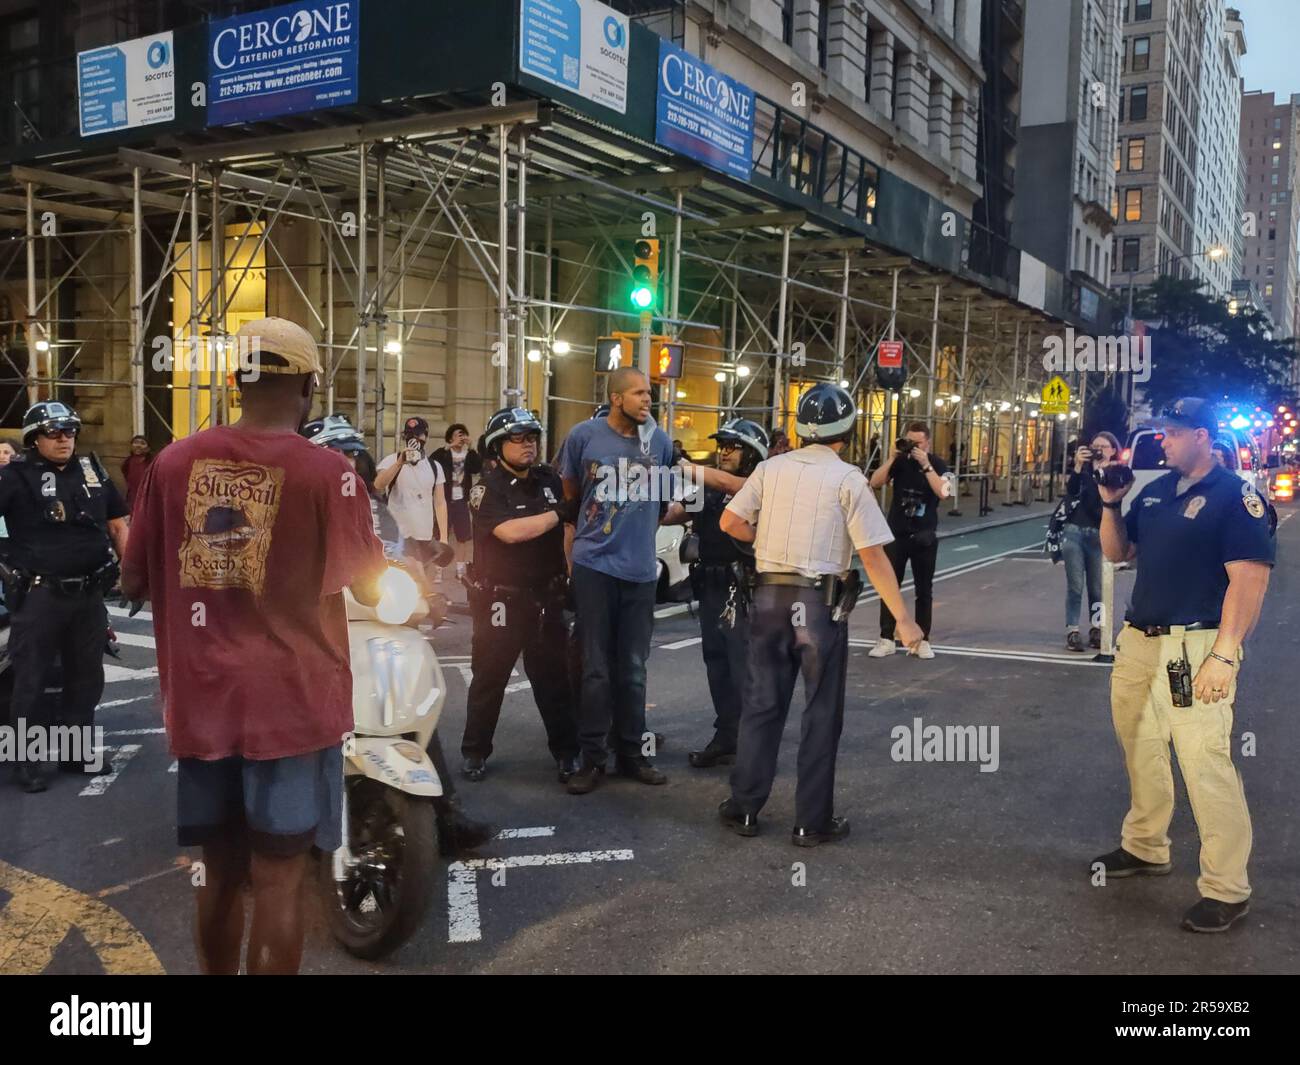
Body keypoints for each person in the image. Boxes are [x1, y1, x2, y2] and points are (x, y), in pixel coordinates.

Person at [121, 317, 388, 975]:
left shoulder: (172, 462)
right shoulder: (329, 472)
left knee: (216, 873)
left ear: (237, 379)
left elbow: (135, 577)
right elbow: (374, 588)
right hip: (293, 708)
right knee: (279, 879)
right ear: (306, 383)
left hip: (204, 705)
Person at [1093, 397, 1274, 934]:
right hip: (1140, 642)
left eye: (1171, 433)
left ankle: (1226, 887)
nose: (1162, 441)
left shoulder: (1234, 497)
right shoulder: (1155, 492)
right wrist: (1109, 504)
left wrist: (1224, 653)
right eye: (1160, 433)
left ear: (1201, 436)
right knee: (1140, 748)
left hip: (1195, 647)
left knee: (1204, 761)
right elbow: (1117, 554)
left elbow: (1250, 577)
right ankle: (1146, 846)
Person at [718, 383, 923, 844]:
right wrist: (904, 621)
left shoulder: (770, 470)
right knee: (820, 711)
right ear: (846, 431)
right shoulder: (849, 479)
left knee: (762, 705)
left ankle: (745, 808)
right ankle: (811, 822)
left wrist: (766, 539)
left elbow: (730, 522)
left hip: (768, 599)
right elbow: (872, 556)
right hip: (818, 606)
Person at [301, 413, 492, 853]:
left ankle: (444, 813)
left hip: (370, 620)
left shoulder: (370, 506)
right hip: (310, 630)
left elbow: (397, 552)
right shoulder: (293, 506)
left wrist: (425, 590)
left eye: (352, 455)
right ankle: (261, 824)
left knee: (408, 704)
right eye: (335, 455)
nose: (347, 464)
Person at [0, 402, 129, 792]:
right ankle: (25, 762)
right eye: (54, 433)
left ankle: (74, 753)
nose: (64, 439)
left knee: (85, 678)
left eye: (70, 432)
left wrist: (134, 574)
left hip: (89, 594)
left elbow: (118, 524)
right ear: (34, 438)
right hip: (41, 594)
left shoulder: (92, 471)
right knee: (30, 679)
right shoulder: (15, 476)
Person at [558, 366, 673, 794]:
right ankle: (591, 760)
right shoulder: (583, 437)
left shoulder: (659, 441)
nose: (648, 400)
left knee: (633, 670)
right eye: (640, 393)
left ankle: (632, 756)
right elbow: (570, 491)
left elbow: (662, 501)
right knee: (596, 670)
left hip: (641, 572)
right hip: (594, 567)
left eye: (650, 394)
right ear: (616, 397)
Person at [459, 407, 581, 785]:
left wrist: (569, 568)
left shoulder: (548, 479)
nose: (528, 444)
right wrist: (557, 514)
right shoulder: (486, 487)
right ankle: (475, 752)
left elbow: (569, 527)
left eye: (532, 437)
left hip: (546, 596)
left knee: (554, 680)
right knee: (489, 678)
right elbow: (510, 532)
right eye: (519, 437)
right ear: (498, 445)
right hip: (501, 600)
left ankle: (566, 753)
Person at [674, 418, 768, 768]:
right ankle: (727, 735)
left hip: (742, 586)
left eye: (733, 446)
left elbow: (728, 482)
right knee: (716, 662)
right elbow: (676, 511)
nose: (724, 451)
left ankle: (751, 741)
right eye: (722, 445)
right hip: (711, 583)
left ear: (751, 453)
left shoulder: (757, 483)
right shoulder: (709, 486)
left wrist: (681, 463)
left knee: (742, 665)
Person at [867, 421, 950, 660]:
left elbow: (944, 493)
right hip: (897, 534)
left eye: (918, 443)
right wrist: (893, 458)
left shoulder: (938, 464)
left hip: (924, 536)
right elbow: (875, 481)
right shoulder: (901, 462)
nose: (914, 447)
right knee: (889, 586)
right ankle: (886, 637)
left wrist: (925, 465)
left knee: (924, 590)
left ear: (928, 443)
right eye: (910, 442)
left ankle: (922, 640)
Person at [1061, 431, 1120, 651]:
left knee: (1097, 587)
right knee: (1075, 586)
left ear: (1113, 450)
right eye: (1095, 446)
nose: (1098, 450)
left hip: (1098, 536)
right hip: (1074, 532)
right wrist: (1077, 466)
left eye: (1104, 447)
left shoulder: (1115, 474)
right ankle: (1072, 630)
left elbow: (1106, 504)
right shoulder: (1084, 472)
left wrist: (1102, 470)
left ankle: (1097, 629)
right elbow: (1071, 492)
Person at [375, 415, 449, 584]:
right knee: (403, 581)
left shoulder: (434, 467)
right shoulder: (391, 461)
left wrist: (443, 537)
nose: (414, 439)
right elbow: (379, 485)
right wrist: (400, 463)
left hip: (424, 535)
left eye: (419, 435)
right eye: (409, 435)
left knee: (422, 587)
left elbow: (440, 502)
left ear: (426, 437)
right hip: (398, 537)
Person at [430, 423, 482, 582]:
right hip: (445, 500)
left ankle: (460, 570)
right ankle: (439, 570)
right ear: (450, 437)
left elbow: (476, 468)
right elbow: (432, 462)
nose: (461, 438)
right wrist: (448, 446)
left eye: (463, 434)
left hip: (461, 501)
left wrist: (472, 448)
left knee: (462, 537)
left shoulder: (469, 454)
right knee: (441, 536)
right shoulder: (444, 453)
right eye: (457, 435)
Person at [121, 434, 154, 511]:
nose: (138, 445)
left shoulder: (152, 463)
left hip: (148, 498)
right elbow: (126, 474)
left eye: (143, 443)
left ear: (148, 448)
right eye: (136, 442)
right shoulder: (127, 462)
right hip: (132, 497)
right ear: (131, 446)